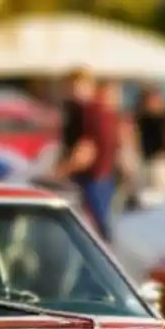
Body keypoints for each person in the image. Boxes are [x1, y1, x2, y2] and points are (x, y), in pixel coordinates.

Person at [61, 78, 121, 240]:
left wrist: (65, 170)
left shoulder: (99, 114)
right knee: (98, 222)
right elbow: (88, 147)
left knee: (98, 222)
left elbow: (88, 148)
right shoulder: (96, 114)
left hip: (98, 175)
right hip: (96, 174)